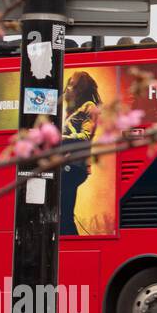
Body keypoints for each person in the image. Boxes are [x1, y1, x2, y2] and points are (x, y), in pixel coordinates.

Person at [59, 71, 102, 236]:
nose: (67, 88)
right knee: (63, 215)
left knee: (65, 216)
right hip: (68, 164)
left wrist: (59, 138)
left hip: (74, 166)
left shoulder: (89, 107)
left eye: (71, 84)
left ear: (80, 88)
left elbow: (85, 136)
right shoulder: (74, 110)